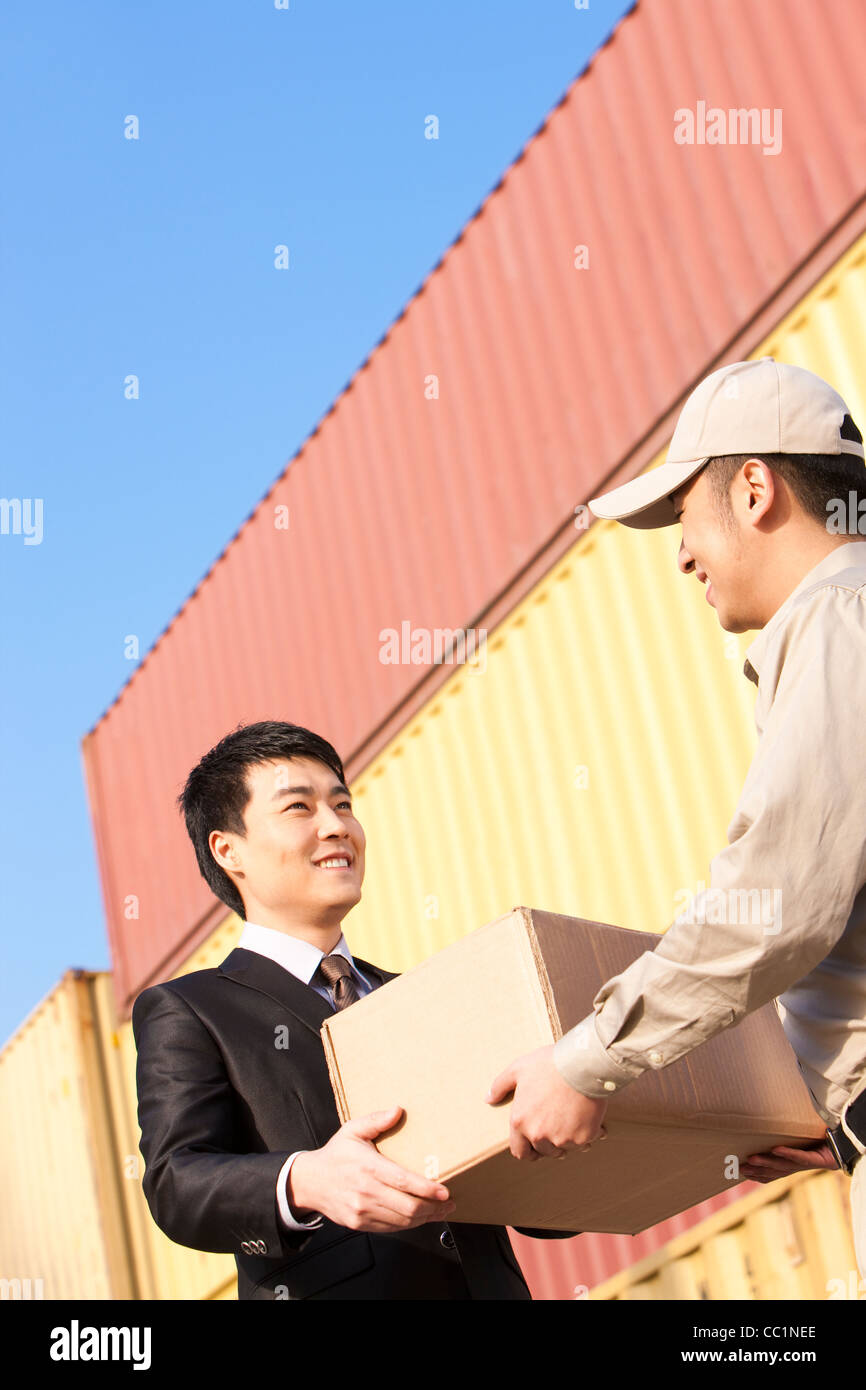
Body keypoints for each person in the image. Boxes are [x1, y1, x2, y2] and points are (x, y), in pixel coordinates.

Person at [486, 357, 866, 1277]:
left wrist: (586, 1061)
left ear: (753, 489)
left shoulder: (837, 619)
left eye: (684, 517)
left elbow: (775, 903)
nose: (682, 555)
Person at [133, 720, 570, 1300]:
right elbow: (176, 1184)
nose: (336, 826)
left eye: (343, 804)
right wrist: (304, 1180)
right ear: (227, 848)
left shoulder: (427, 994)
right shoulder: (189, 1009)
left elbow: (535, 1199)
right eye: (299, 808)